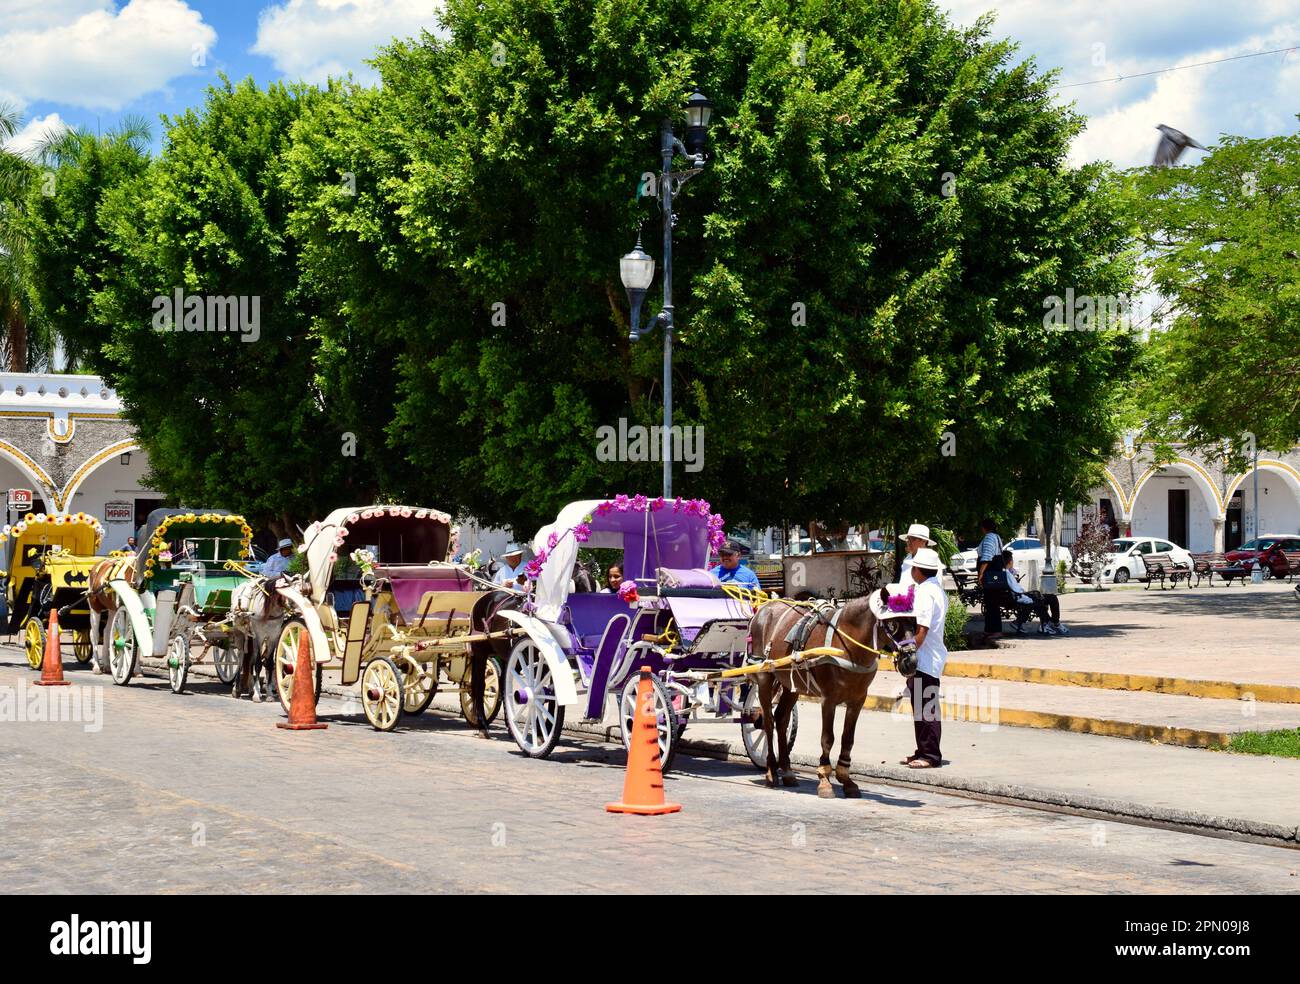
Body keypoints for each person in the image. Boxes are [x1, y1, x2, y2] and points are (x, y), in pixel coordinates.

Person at [901, 547, 948, 769]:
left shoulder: (925, 593)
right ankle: (922, 750)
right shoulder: (936, 590)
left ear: (918, 570)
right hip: (931, 656)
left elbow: (922, 629)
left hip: (926, 658)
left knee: (926, 706)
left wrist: (908, 654)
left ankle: (930, 755)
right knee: (921, 705)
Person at [1004, 551, 1067, 635]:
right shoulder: (1007, 574)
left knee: (1045, 598)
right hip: (1019, 596)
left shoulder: (1005, 573)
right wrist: (1027, 596)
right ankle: (1052, 623)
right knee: (1048, 598)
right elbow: (1017, 591)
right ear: (1010, 561)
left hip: (1017, 596)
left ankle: (1048, 623)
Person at [975, 517, 1006, 644]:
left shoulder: (989, 538)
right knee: (992, 602)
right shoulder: (997, 537)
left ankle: (995, 629)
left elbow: (987, 557)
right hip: (996, 573)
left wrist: (981, 573)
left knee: (991, 602)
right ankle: (990, 629)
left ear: (984, 528)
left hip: (990, 574)